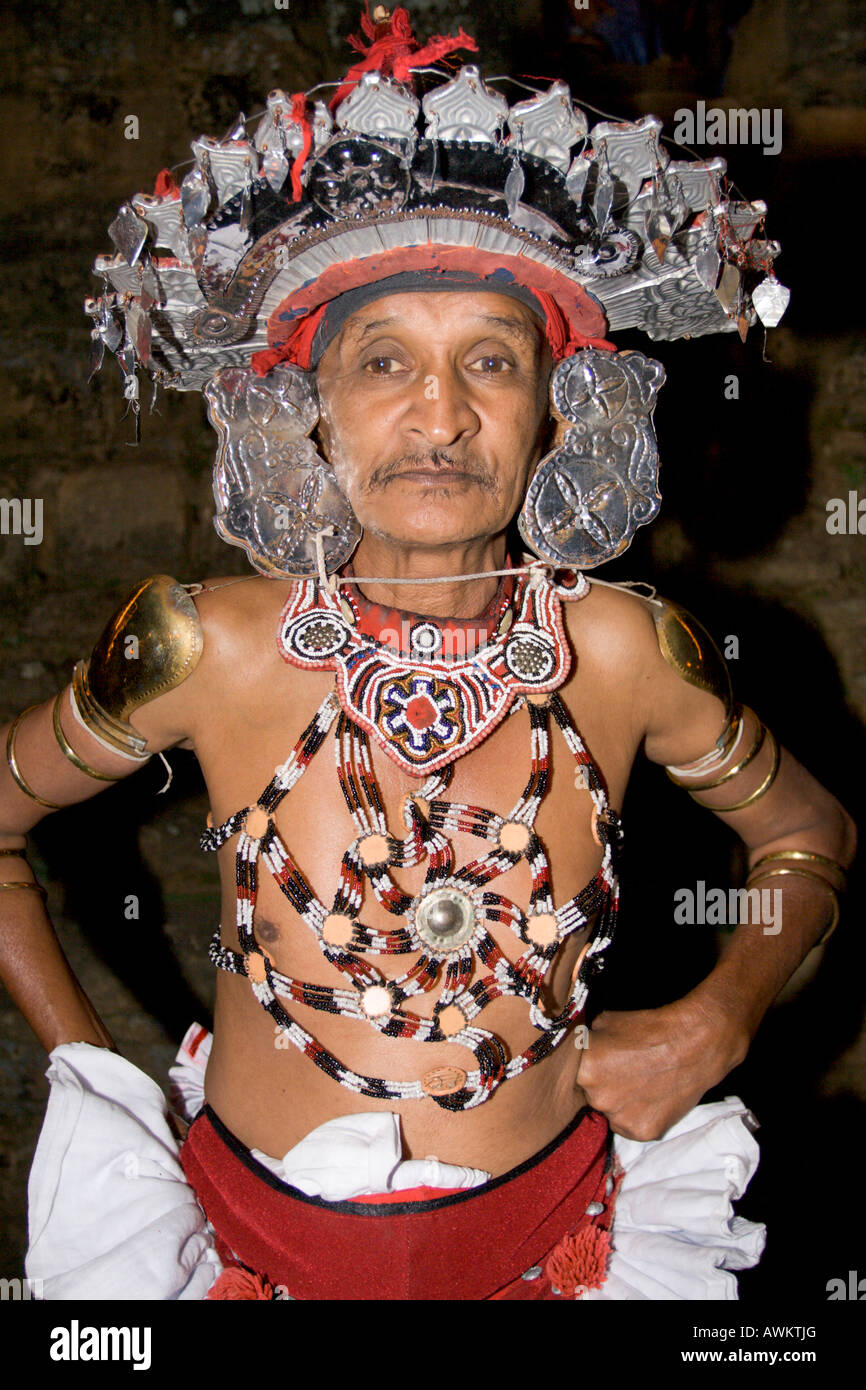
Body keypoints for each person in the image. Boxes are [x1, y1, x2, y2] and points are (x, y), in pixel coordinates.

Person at [1, 6, 855, 1301]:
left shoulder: (621, 649)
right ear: (310, 410)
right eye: (384, 361)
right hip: (246, 1259)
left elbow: (811, 839)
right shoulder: (203, 643)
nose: (438, 417)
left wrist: (717, 1012)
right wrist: (94, 1080)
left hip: (561, 1252)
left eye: (491, 365)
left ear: (557, 414)